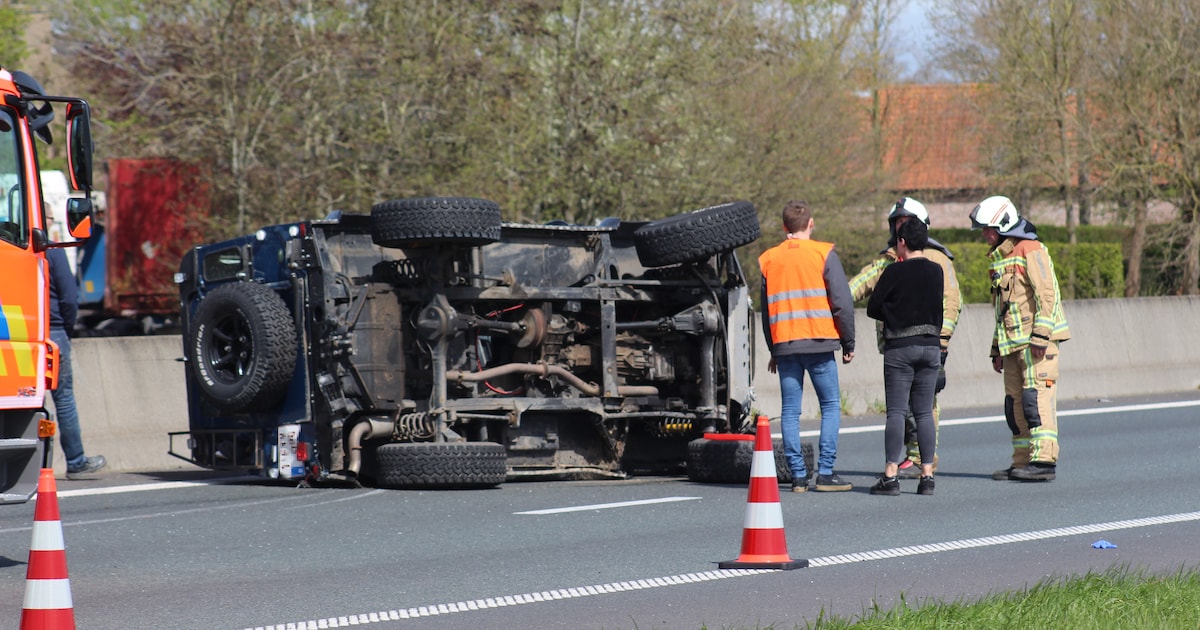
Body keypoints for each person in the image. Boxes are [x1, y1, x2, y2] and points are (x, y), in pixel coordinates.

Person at [850, 197, 961, 478]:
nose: (901, 228)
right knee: (913, 409)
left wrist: (942, 339)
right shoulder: (886, 260)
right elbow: (858, 286)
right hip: (905, 344)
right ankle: (921, 469)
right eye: (897, 223)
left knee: (920, 407)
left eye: (906, 223)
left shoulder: (937, 260)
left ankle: (919, 459)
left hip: (924, 343)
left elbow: (951, 302)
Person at [969, 196, 1070, 482]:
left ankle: (1044, 461)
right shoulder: (1001, 256)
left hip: (1037, 342)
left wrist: (1041, 334)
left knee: (1035, 399)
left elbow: (1047, 294)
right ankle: (1022, 461)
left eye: (987, 229)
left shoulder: (1031, 249)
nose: (984, 235)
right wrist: (996, 349)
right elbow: (1002, 309)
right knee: (1015, 405)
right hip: (1013, 344)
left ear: (1003, 224)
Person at [759, 200, 855, 493]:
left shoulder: (769, 259)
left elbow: (766, 312)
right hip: (819, 342)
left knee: (790, 411)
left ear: (784, 227)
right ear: (810, 224)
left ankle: (798, 477)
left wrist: (773, 349)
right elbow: (842, 302)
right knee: (830, 406)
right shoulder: (823, 254)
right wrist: (848, 341)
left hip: (786, 344)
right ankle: (825, 473)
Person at [865, 219, 943, 496]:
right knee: (924, 412)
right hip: (931, 346)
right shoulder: (937, 271)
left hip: (900, 348)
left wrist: (894, 313)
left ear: (901, 242)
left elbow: (872, 307)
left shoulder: (894, 271)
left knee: (897, 412)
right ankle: (927, 476)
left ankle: (890, 475)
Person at [47, 244, 107, 479]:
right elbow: (70, 298)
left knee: (24, 401)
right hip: (54, 332)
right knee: (64, 399)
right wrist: (66, 329)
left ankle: (33, 464)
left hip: (21, 333)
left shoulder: (11, 251)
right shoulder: (53, 251)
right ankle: (75, 460)